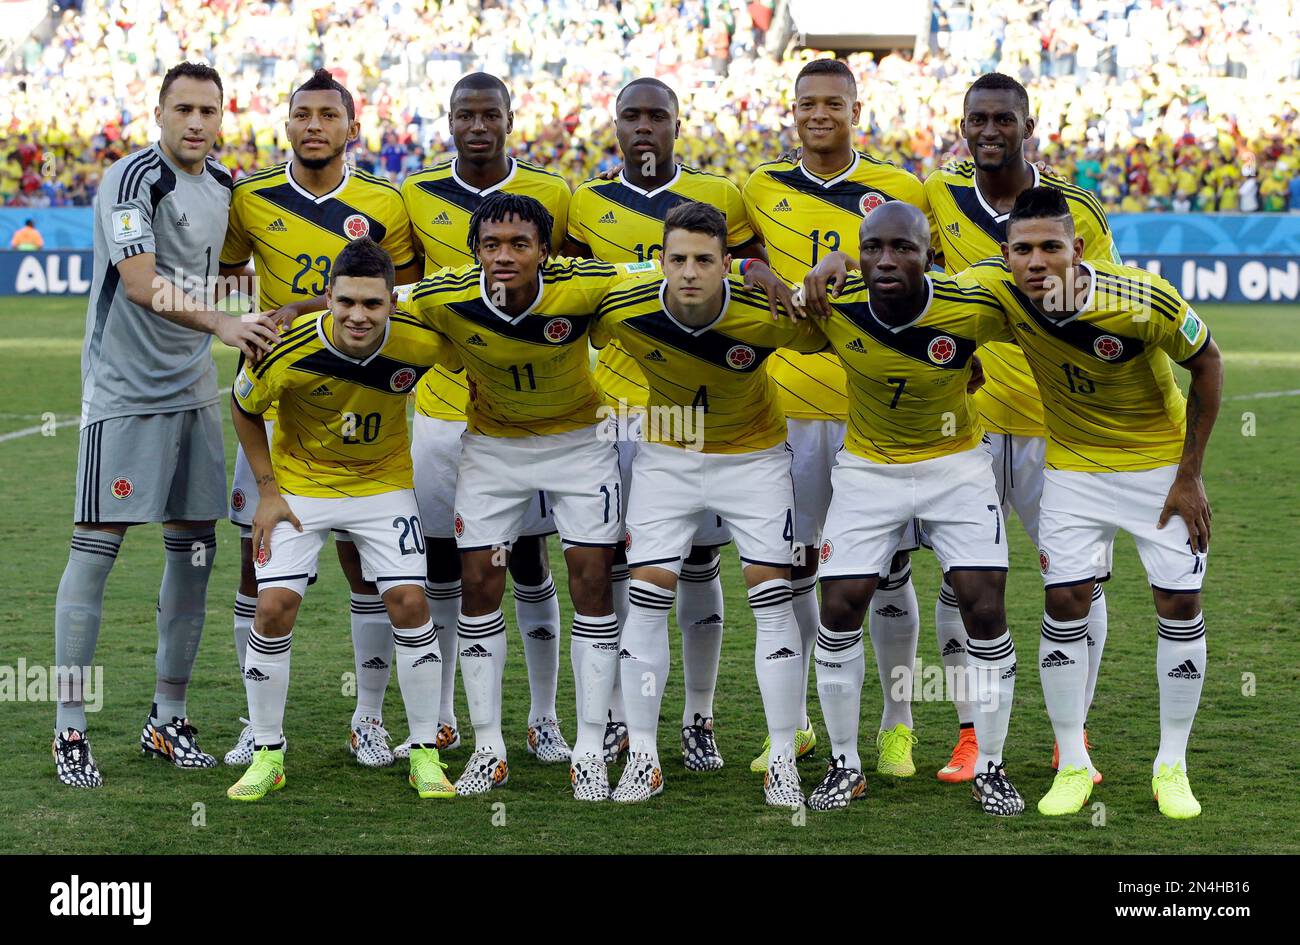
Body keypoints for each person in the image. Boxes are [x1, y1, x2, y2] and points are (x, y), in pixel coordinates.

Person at [52, 62, 278, 788]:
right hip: (123, 395)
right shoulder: (129, 180)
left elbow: (235, 276)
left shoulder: (228, 189)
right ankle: (69, 728)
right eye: (183, 108)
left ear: (223, 117)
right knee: (97, 550)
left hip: (192, 396)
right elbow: (145, 283)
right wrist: (221, 320)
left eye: (209, 110)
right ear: (158, 112)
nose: (196, 122)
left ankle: (167, 718)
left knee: (195, 552)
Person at [963, 186, 1222, 819]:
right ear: (1006, 255)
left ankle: (1172, 764)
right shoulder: (997, 291)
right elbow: (923, 300)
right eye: (1022, 250)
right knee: (1064, 600)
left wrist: (1189, 474)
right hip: (1073, 471)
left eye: (1052, 247)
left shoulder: (1142, 299)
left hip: (1157, 470)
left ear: (1077, 249)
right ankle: (1072, 761)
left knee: (1179, 602)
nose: (1036, 262)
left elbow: (1208, 363)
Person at [218, 68, 422, 770]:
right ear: (286, 124)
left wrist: (309, 311)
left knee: (368, 566)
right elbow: (227, 274)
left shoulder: (384, 204)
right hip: (282, 394)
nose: (313, 125)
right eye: (301, 113)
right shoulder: (249, 197)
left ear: (350, 127)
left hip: (361, 391)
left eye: (327, 115)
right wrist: (249, 324)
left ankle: (369, 716)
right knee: (259, 564)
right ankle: (257, 725)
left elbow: (403, 288)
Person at [563, 76, 768, 772]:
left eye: (657, 116)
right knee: (625, 565)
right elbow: (571, 289)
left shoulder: (722, 196)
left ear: (679, 124)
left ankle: (699, 716)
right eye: (632, 115)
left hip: (692, 413)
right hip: (612, 415)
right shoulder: (584, 200)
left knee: (700, 560)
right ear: (614, 125)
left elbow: (752, 271)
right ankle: (621, 717)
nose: (644, 127)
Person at [591, 201, 822, 807]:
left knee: (772, 602)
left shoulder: (767, 312)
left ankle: (781, 757)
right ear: (659, 262)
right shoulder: (625, 306)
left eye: (703, 260)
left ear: (726, 263)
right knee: (645, 602)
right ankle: (642, 756)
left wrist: (768, 274)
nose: (689, 272)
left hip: (755, 460)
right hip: (666, 458)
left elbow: (828, 329)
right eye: (677, 260)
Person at [798, 202, 1025, 816]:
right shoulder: (834, 304)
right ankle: (846, 763)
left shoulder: (969, 305)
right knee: (840, 603)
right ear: (858, 254)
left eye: (903, 247)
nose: (886, 260)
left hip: (956, 466)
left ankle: (992, 765)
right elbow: (764, 308)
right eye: (872, 248)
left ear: (930, 254)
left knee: (984, 604)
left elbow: (1041, 305)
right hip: (869, 470)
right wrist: (809, 271)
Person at [741, 57, 933, 778]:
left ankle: (898, 724)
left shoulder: (900, 188)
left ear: (857, 108)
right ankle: (791, 728)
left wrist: (842, 262)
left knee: (885, 570)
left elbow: (923, 274)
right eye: (806, 104)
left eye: (832, 103)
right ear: (791, 111)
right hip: (784, 408)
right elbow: (736, 258)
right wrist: (768, 279)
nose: (818, 114)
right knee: (789, 569)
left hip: (876, 408)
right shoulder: (760, 186)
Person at [922, 72, 1116, 784]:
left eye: (1005, 118)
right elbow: (909, 270)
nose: (990, 130)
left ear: (1029, 125)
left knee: (1080, 584)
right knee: (962, 588)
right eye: (979, 119)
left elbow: (1106, 309)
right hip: (966, 428)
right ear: (963, 125)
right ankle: (972, 733)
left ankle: (1074, 737)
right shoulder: (936, 195)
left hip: (1058, 427)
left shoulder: (1075, 209)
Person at [227, 238, 459, 802]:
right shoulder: (284, 349)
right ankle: (266, 752)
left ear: (392, 304)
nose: (358, 316)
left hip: (383, 487)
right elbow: (242, 407)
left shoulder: (420, 343)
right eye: (347, 301)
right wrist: (266, 492)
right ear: (328, 297)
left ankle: (425, 752)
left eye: (373, 305)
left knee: (409, 601)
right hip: (301, 488)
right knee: (273, 605)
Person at [400, 73, 573, 764]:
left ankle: (543, 716)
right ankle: (443, 713)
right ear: (448, 121)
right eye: (465, 115)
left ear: (510, 118)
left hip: (526, 415)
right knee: (446, 558)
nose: (478, 126)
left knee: (530, 558)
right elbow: (402, 291)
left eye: (490, 115)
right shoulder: (415, 193)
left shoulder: (552, 193)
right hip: (442, 412)